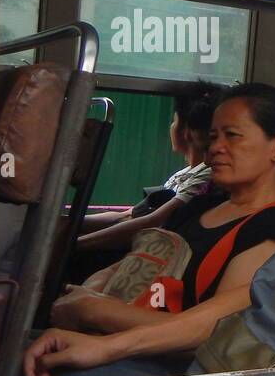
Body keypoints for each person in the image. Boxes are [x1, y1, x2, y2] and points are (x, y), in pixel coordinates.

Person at [22, 85, 275, 376]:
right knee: (13, 344)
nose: (215, 147)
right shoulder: (196, 207)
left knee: (43, 369)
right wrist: (88, 295)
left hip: (181, 370)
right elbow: (135, 262)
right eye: (214, 136)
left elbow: (210, 333)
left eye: (232, 135)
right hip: (126, 342)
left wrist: (94, 311)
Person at [75, 82, 220, 251]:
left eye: (174, 121)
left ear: (185, 131)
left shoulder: (205, 176)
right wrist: (72, 222)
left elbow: (151, 222)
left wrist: (77, 244)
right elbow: (129, 215)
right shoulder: (183, 174)